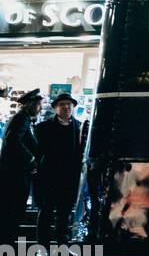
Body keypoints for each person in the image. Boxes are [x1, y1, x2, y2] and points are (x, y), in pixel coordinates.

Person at [35, 93, 86, 246]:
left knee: (64, 215)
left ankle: (62, 246)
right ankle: (42, 247)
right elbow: (38, 154)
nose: (66, 107)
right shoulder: (43, 128)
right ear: (55, 108)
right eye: (62, 104)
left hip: (70, 179)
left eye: (69, 104)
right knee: (46, 214)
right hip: (49, 178)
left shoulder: (80, 128)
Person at [0, 89, 42, 244]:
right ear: (31, 104)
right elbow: (13, 141)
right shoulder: (22, 119)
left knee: (10, 211)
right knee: (13, 210)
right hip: (15, 176)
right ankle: (6, 245)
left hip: (12, 174)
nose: (40, 108)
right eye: (38, 104)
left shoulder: (19, 118)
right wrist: (30, 160)